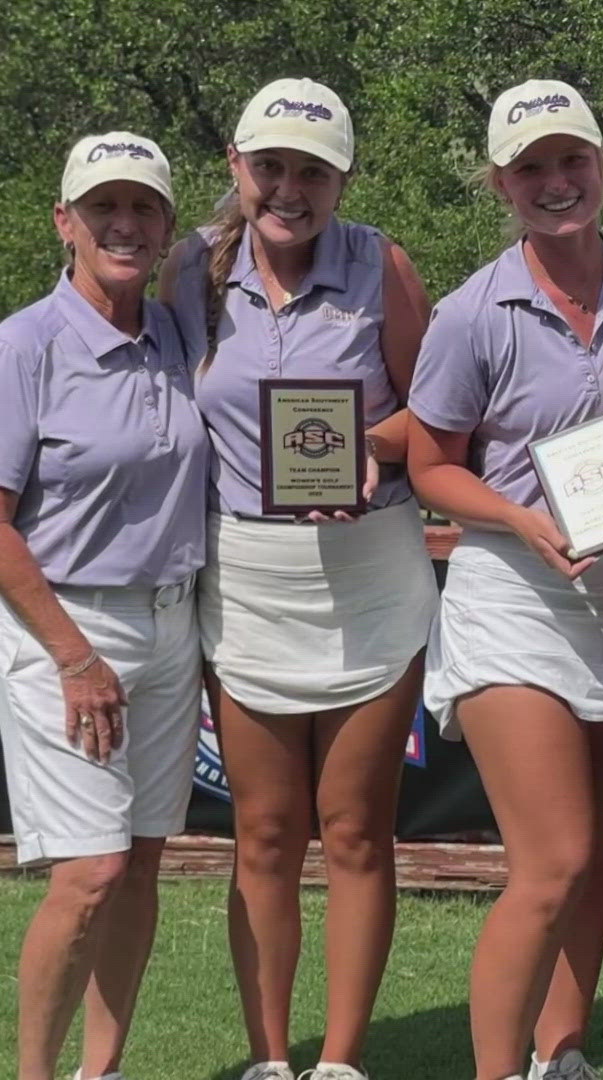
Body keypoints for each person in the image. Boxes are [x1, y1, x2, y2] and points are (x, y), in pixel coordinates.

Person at [158, 77, 437, 1080]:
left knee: (358, 830)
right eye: (269, 165)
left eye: (312, 171)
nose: (289, 189)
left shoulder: (383, 266)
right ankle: (272, 1058)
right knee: (266, 834)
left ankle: (345, 1061)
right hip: (248, 577)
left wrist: (373, 448)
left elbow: (434, 414)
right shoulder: (190, 267)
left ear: (342, 179)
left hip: (368, 575)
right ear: (235, 167)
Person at [406, 79, 603, 1080]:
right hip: (513, 595)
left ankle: (563, 1055)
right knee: (552, 860)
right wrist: (519, 518)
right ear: (500, 182)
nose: (556, 183)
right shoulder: (471, 312)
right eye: (531, 169)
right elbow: (430, 462)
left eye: (572, 161)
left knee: (597, 859)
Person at [1, 132, 209, 1080]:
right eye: (103, 208)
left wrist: (254, 183)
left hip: (172, 621)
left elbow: (247, 225)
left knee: (141, 862)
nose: (123, 224)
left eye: (143, 208)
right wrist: (74, 656)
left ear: (166, 226)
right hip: (67, 630)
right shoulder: (24, 345)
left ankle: (104, 1070)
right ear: (65, 222)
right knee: (90, 876)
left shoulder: (172, 329)